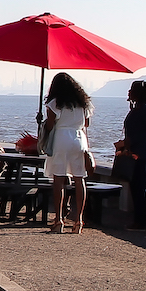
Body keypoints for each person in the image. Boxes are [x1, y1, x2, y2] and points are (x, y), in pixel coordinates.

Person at [43, 73, 95, 234]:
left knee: (59, 179)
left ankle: (59, 219)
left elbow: (50, 126)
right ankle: (78, 220)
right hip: (79, 138)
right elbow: (87, 123)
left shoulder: (55, 103)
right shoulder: (83, 104)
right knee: (80, 179)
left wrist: (43, 123)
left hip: (61, 138)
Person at [119, 80, 146, 230]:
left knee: (141, 187)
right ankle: (137, 219)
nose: (129, 92)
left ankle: (141, 221)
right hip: (134, 151)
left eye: (131, 90)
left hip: (142, 153)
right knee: (135, 186)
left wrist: (132, 140)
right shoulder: (137, 108)